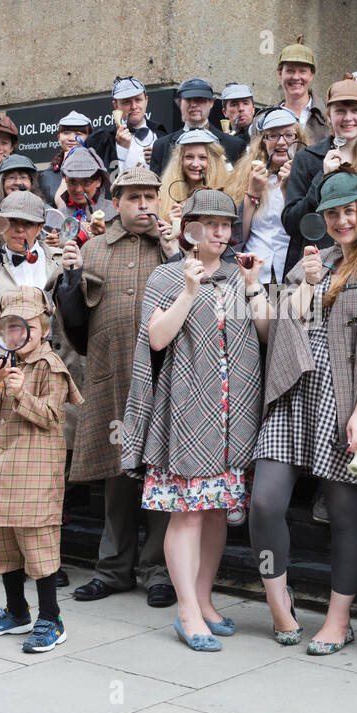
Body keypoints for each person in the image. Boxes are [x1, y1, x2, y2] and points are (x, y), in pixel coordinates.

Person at [252, 172, 357, 652]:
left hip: (343, 397)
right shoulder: (312, 261)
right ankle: (280, 605)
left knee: (344, 508)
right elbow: (274, 328)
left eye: (349, 211)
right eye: (332, 213)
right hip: (293, 391)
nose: (341, 220)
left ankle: (339, 619)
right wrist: (306, 286)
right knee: (264, 501)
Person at [122, 189, 270, 651]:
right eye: (211, 225)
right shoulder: (166, 277)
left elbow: (267, 334)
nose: (221, 234)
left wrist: (253, 285)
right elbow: (157, 340)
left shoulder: (237, 275)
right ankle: (186, 610)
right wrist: (189, 291)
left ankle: (204, 601)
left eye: (227, 226)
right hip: (186, 410)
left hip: (233, 413)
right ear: (190, 230)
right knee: (185, 515)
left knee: (215, 514)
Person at [56, 166, 181, 607]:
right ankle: (112, 570)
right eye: (134, 198)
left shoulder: (174, 246)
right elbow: (74, 323)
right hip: (112, 380)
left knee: (162, 477)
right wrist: (69, 279)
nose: (145, 205)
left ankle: (160, 572)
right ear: (117, 201)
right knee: (117, 478)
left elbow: (197, 302)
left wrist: (174, 255)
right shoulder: (93, 250)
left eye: (151, 197)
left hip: (166, 380)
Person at [0, 286, 82, 653]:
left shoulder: (52, 367)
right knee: (5, 542)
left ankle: (51, 617)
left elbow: (52, 417)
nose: (16, 335)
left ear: (43, 329)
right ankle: (17, 610)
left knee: (38, 543)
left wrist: (20, 393)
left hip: (37, 468)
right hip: (7, 466)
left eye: (24, 327)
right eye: (9, 328)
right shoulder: (8, 362)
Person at [282, 76, 357, 273]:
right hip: (316, 268)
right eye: (340, 111)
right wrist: (321, 178)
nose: (348, 118)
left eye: (356, 110)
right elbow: (292, 224)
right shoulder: (307, 158)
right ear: (328, 115)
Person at [230, 107, 305, 283]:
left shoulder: (306, 177)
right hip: (255, 271)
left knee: (291, 311)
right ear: (263, 141)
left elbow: (302, 232)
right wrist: (253, 192)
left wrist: (289, 190)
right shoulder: (248, 176)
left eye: (288, 135)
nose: (281, 142)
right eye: (273, 135)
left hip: (294, 271)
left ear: (298, 140)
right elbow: (239, 236)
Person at [149, 78, 247, 175]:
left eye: (200, 99)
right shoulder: (161, 146)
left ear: (211, 103)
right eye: (188, 100)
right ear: (179, 103)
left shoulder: (234, 145)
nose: (194, 104)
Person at [86, 76, 167, 173]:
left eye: (138, 100)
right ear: (116, 105)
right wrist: (121, 151)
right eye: (126, 102)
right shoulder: (99, 141)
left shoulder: (162, 135)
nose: (133, 106)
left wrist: (160, 162)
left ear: (146, 100)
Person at [46, 145, 117, 249]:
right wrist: (49, 248)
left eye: (86, 182)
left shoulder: (116, 214)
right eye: (72, 182)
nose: (78, 189)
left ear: (98, 181)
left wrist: (104, 236)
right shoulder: (54, 217)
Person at [157, 128, 231, 219]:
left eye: (202, 157)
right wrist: (170, 223)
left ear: (213, 162)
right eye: (189, 157)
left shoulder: (227, 195)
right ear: (180, 160)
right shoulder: (165, 196)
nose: (195, 164)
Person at [275, 37, 329, 144]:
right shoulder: (264, 119)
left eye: (302, 72)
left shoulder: (329, 117)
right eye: (290, 71)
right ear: (280, 74)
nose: (296, 77)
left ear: (311, 75)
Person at [38, 110, 92, 203]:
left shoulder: (100, 169)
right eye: (66, 133)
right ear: (59, 137)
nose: (71, 138)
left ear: (89, 137)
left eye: (78, 134)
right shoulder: (47, 176)